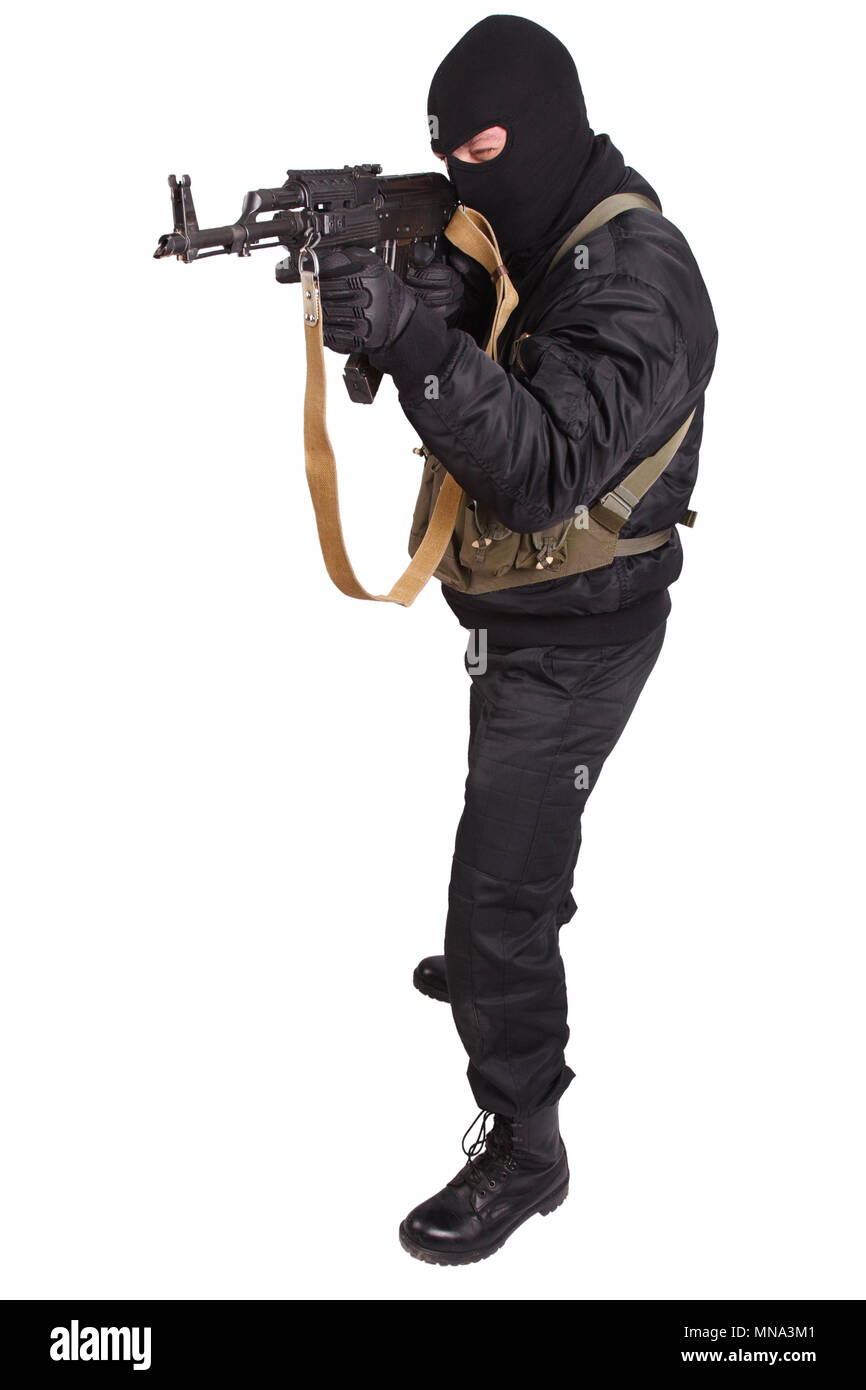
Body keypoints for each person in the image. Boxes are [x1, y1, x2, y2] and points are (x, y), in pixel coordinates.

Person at [316, 14, 717, 1265]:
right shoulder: (528, 237)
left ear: (548, 125)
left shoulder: (644, 277)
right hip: (516, 618)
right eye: (449, 151)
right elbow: (500, 361)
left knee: (496, 896)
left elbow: (541, 471)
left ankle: (526, 1143)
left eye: (488, 143)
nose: (469, 168)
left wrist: (415, 339)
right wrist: (423, 312)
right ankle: (526, 899)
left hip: (577, 639)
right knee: (519, 832)